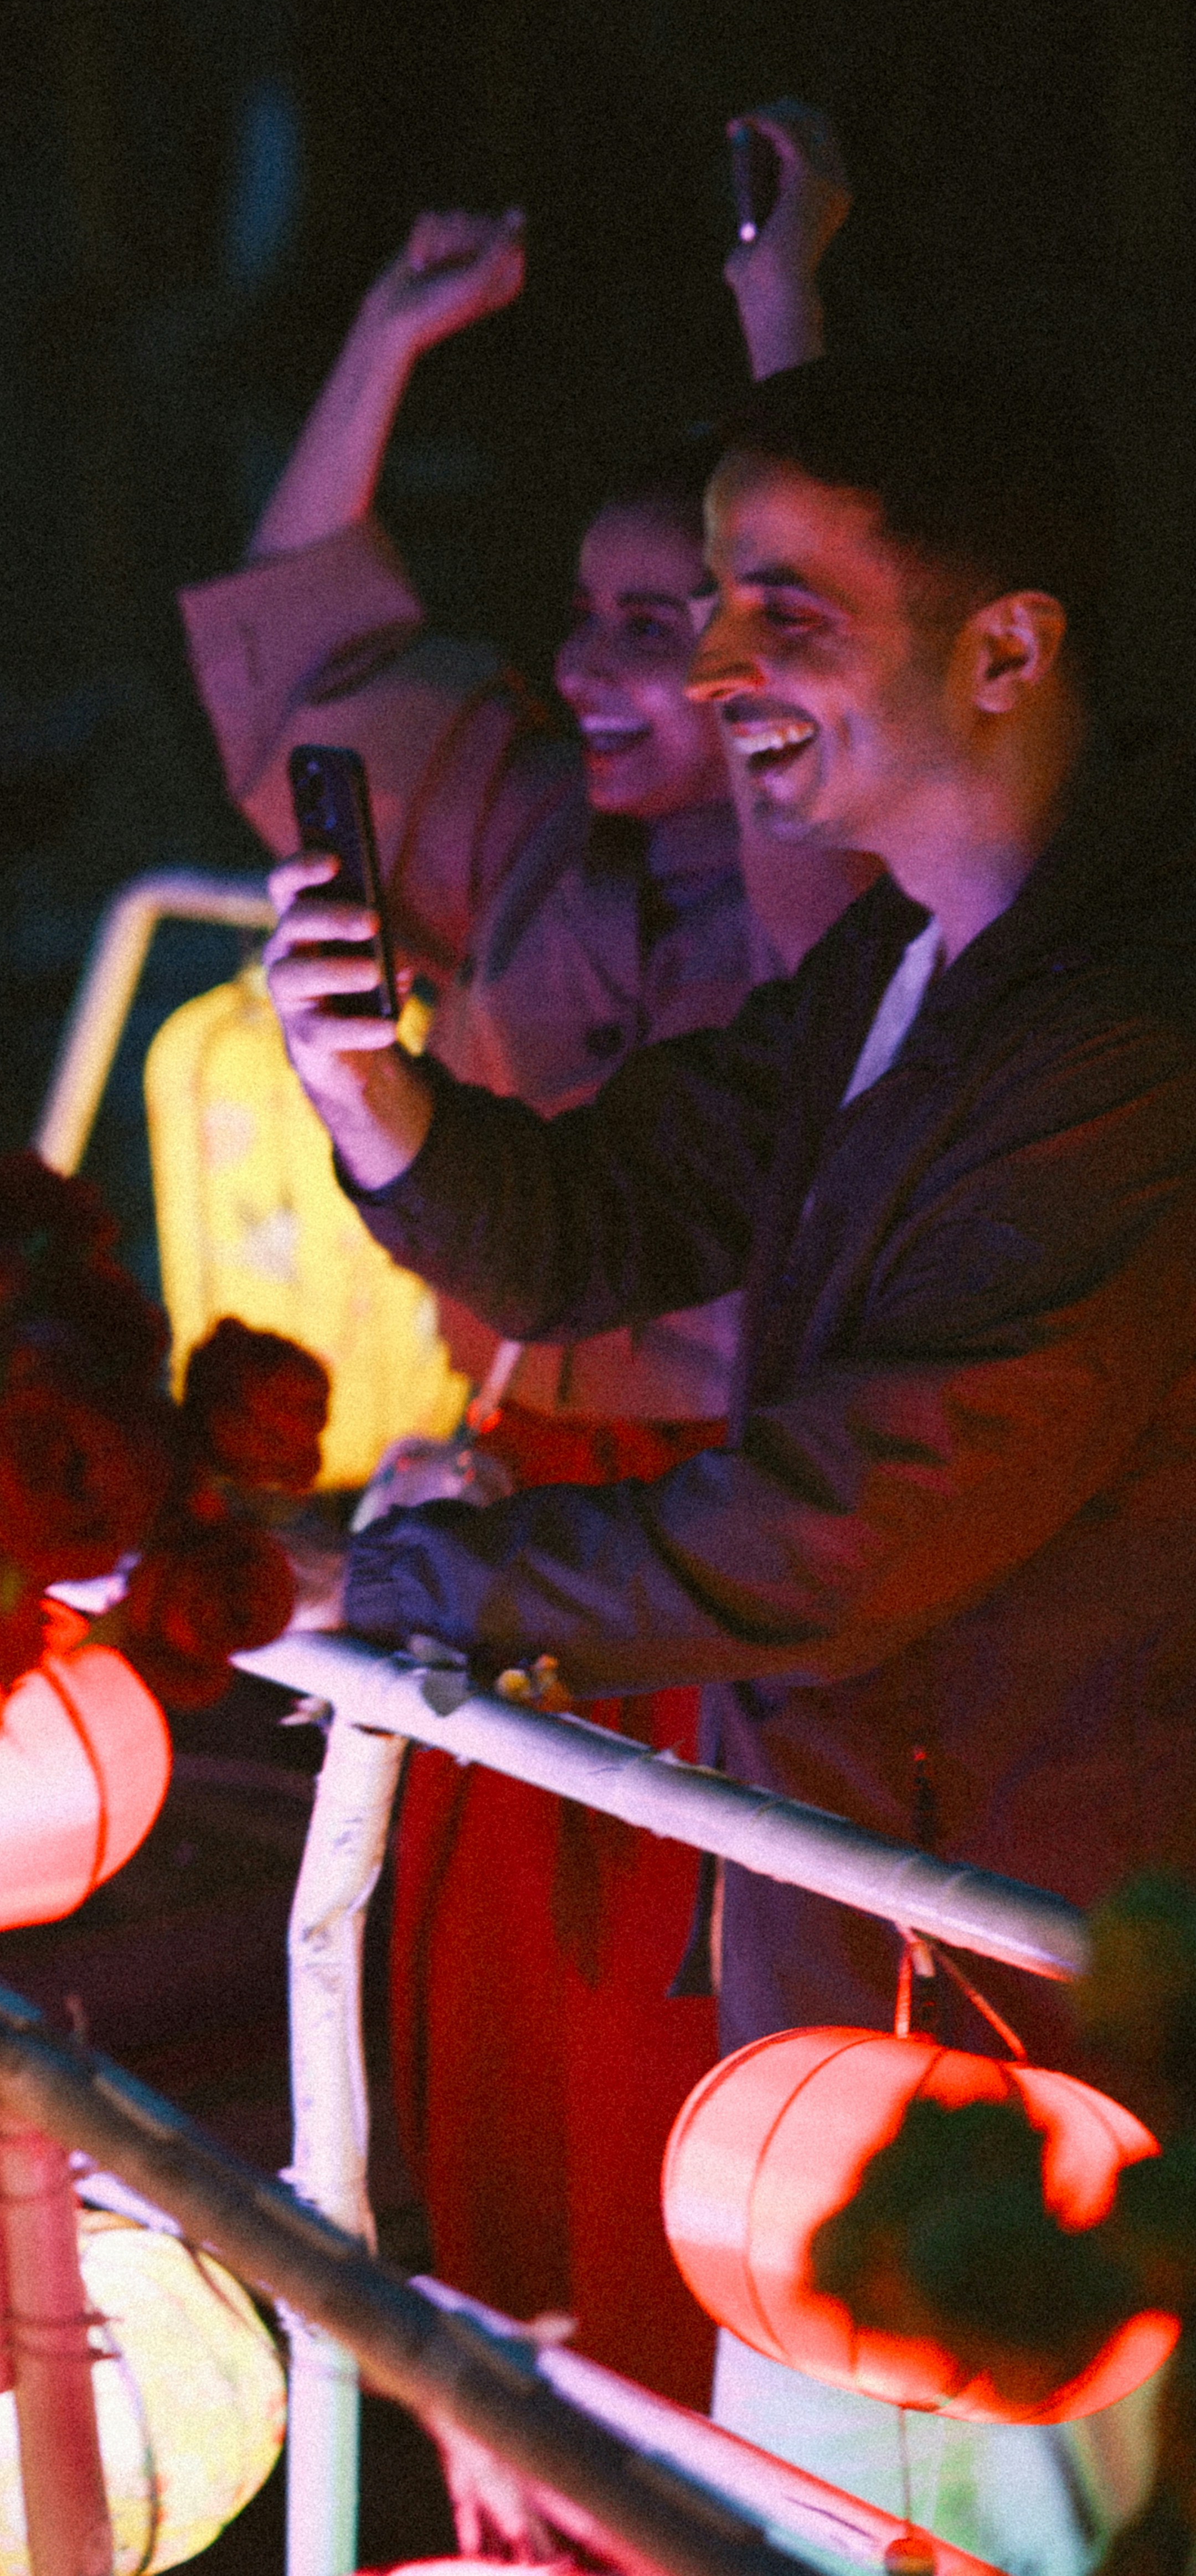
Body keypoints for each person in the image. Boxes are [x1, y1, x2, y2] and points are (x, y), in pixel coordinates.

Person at [267, 353, 1196, 2576]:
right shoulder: (888, 955)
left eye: (777, 606)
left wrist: (420, 1586)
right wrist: (368, 1089)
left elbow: (859, 1513)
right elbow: (597, 1219)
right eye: (708, 600)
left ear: (1003, 641)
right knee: (843, 2497)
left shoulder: (1115, 1039)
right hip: (846, 1904)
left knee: (1040, 2504)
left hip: (1046, 1934)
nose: (704, 668)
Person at [179, 112, 860, 2410]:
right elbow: (301, 669)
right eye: (579, 614)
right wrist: (379, 336)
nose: (586, 664)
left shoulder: (838, 887)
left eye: (651, 625)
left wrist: (787, 322)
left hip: (740, 1538)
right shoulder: (528, 833)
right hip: (532, 1507)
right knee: (493, 2059)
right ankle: (527, 2448)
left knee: (682, 2038)